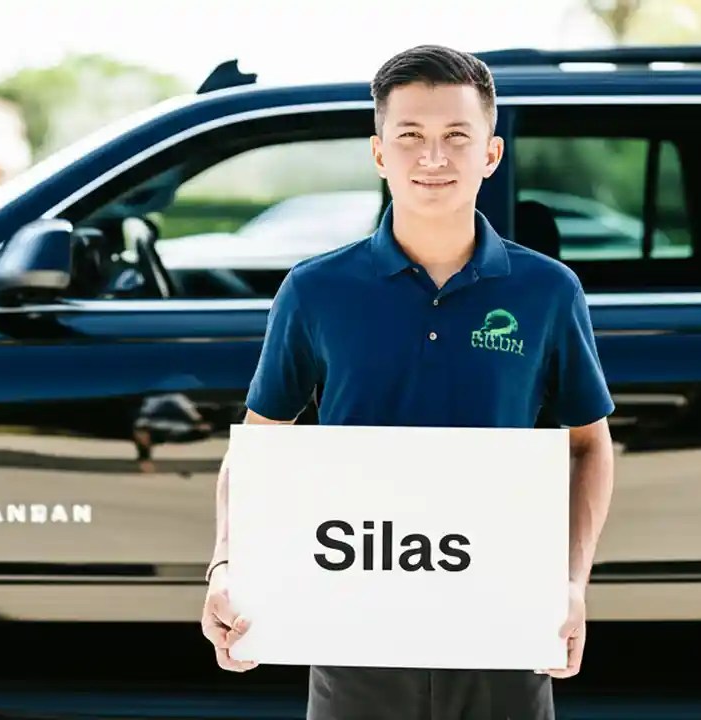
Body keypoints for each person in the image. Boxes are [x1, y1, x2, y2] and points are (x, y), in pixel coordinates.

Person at [199, 44, 617, 719]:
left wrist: (570, 584)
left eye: (457, 136)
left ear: (491, 153)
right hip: (351, 627)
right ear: (378, 153)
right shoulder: (315, 290)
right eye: (410, 137)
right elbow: (256, 451)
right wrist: (226, 568)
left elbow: (588, 446)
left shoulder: (547, 291)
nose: (433, 158)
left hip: (502, 626)